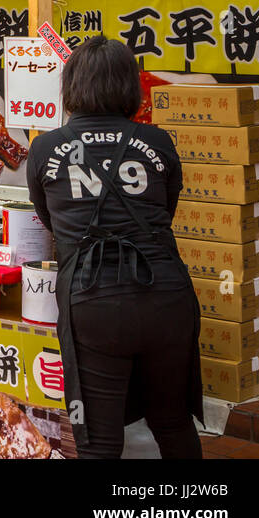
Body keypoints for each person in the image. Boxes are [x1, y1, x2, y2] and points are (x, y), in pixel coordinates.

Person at [25, 35, 202, 459]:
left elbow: (52, 223)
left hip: (91, 303)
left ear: (70, 86)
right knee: (173, 423)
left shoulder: (46, 148)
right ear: (130, 86)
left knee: (99, 442)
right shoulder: (158, 143)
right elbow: (165, 213)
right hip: (166, 296)